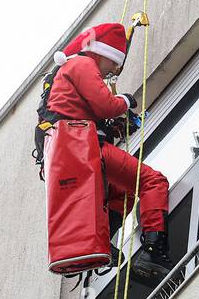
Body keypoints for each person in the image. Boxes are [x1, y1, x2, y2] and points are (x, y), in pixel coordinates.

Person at [44, 22, 171, 270]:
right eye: (114, 61)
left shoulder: (70, 70)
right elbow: (106, 105)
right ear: (102, 52)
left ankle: (100, 242)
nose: (115, 68)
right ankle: (153, 252)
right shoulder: (82, 64)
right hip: (85, 147)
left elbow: (86, 110)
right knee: (153, 181)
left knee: (122, 192)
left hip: (75, 148)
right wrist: (125, 101)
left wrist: (113, 124)